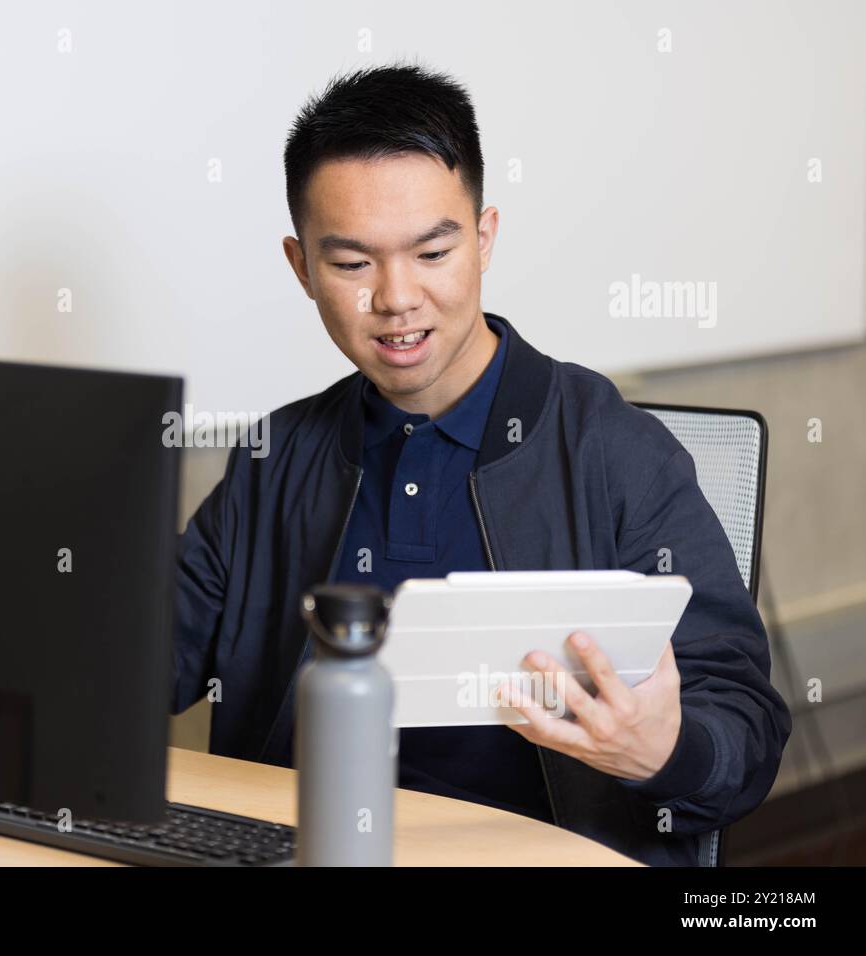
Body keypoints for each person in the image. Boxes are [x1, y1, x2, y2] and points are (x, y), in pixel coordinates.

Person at [171, 63, 791, 866]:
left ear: (485, 238)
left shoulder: (614, 452)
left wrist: (665, 751)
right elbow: (142, 660)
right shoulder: (277, 456)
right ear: (301, 268)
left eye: (433, 251)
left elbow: (745, 725)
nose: (397, 297)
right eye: (353, 265)